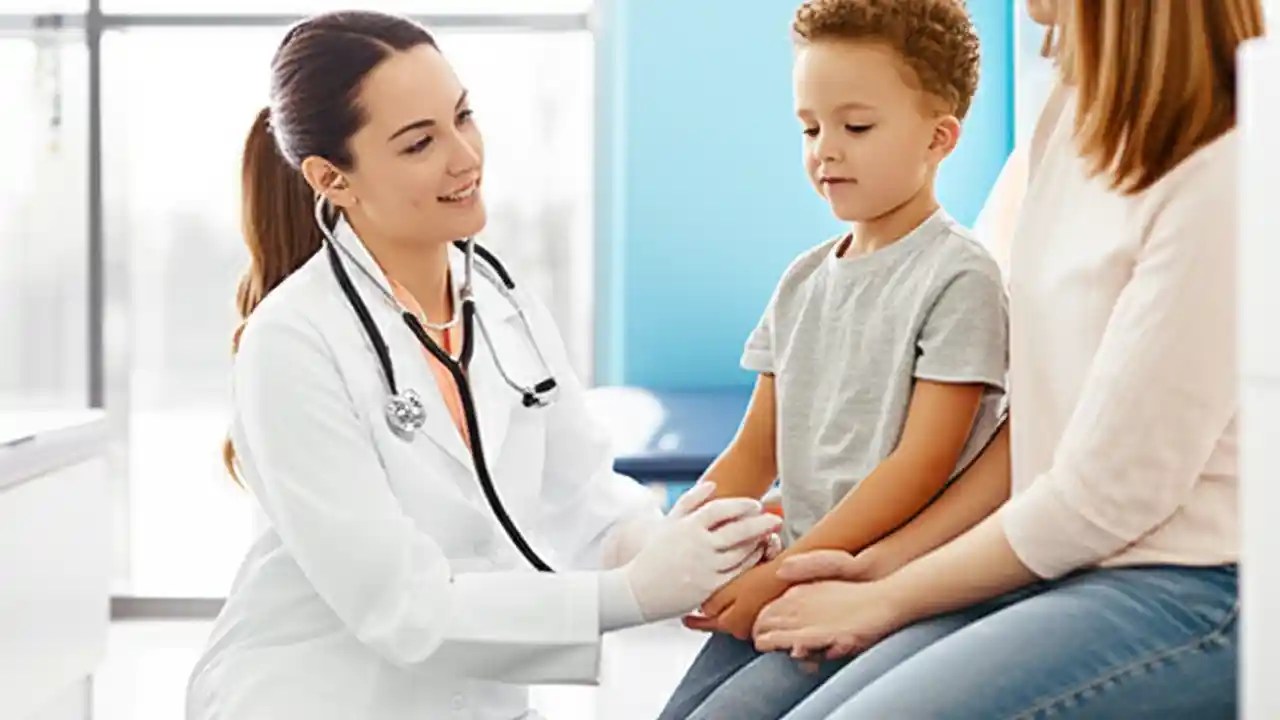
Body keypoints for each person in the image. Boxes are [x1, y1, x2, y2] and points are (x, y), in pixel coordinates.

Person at [183, 11, 783, 720]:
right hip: (319, 701)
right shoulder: (291, 341)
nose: (465, 156)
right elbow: (399, 603)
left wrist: (684, 552)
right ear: (331, 179)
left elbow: (582, 499)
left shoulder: (500, 301)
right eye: (419, 143)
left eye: (463, 115)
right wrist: (634, 593)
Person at [752, 0, 1259, 717]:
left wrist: (888, 598)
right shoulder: (1071, 115)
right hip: (1058, 558)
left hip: (1194, 583)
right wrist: (880, 564)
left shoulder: (1227, 161)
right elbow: (1034, 425)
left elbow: (1103, 497)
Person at [657, 0, 1009, 717]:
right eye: (810, 127)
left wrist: (787, 572)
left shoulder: (960, 278)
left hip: (874, 583)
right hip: (791, 567)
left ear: (939, 137)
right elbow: (752, 454)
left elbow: (920, 467)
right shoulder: (803, 280)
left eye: (856, 127)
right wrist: (678, 550)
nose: (825, 150)